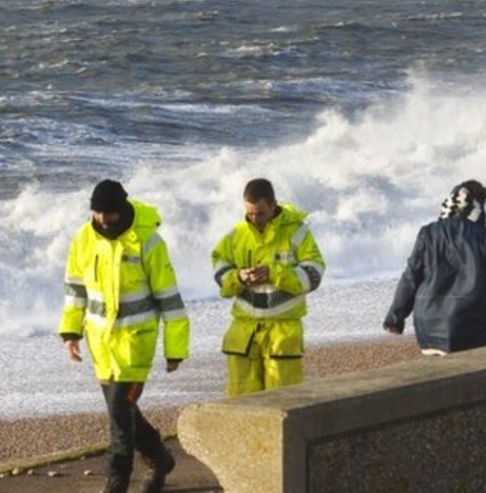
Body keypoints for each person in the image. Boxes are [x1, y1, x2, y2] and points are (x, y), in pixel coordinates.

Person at [59, 179, 189, 493]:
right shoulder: (83, 238)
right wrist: (70, 331)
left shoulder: (148, 242)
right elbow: (75, 290)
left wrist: (175, 349)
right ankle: (159, 457)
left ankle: (116, 484)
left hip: (135, 346)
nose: (103, 219)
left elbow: (169, 299)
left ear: (123, 210)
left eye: (109, 214)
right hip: (101, 346)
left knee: (119, 418)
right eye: (97, 213)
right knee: (124, 412)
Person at [211, 178, 325, 397]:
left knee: (284, 402)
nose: (255, 219)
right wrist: (239, 277)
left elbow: (314, 274)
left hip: (282, 333)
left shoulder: (297, 233)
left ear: (273, 205)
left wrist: (273, 273)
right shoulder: (236, 235)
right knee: (240, 406)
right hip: (243, 333)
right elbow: (219, 267)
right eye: (250, 213)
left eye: (260, 213)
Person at [383, 180, 486, 354]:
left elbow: (410, 277)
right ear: (479, 208)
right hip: (473, 329)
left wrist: (395, 318)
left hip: (428, 329)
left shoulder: (427, 234)